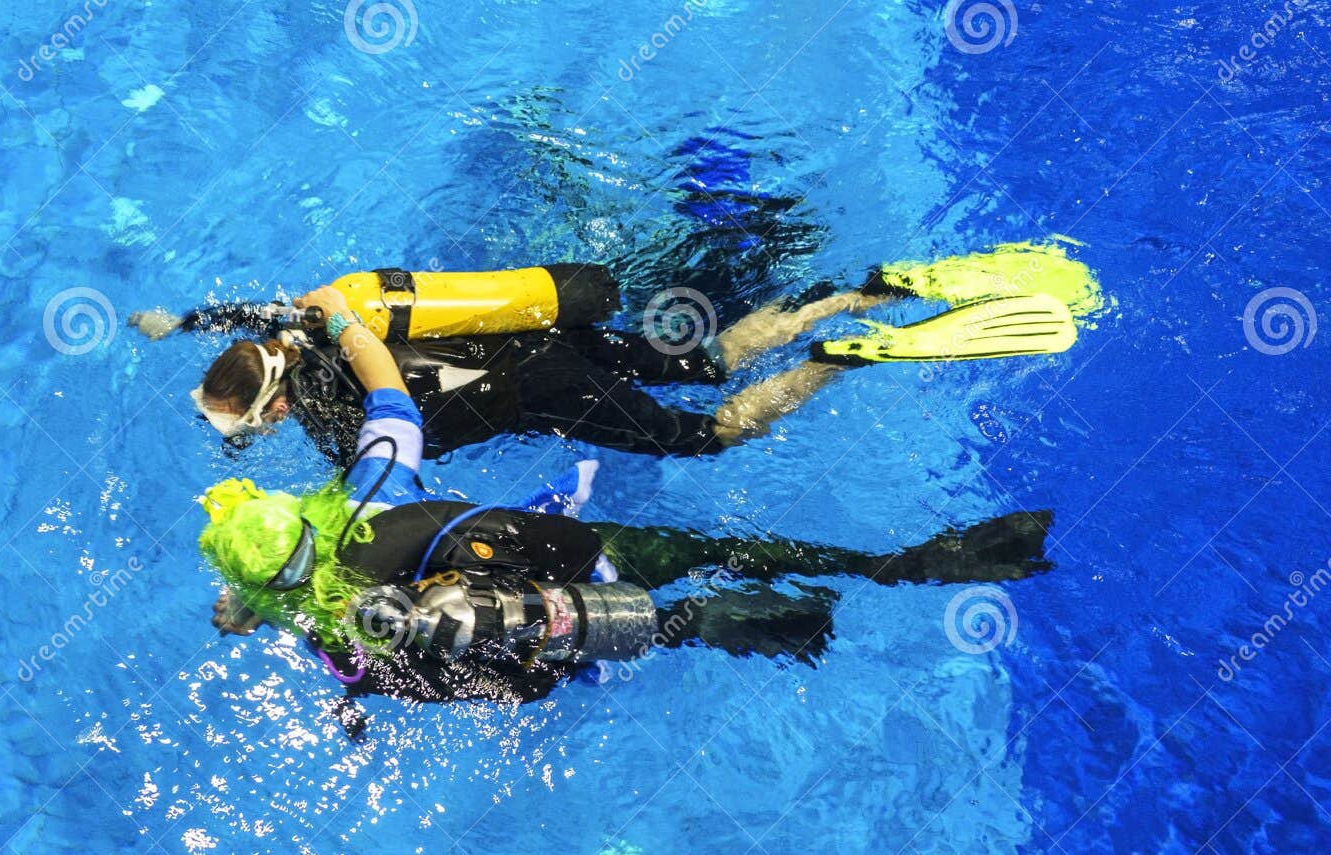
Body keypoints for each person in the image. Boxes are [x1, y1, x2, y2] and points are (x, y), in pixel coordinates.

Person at [195, 286, 1056, 731]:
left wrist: (241, 608)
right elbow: (385, 384)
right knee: (709, 404)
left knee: (706, 464)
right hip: (553, 450)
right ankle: (840, 334)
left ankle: (806, 593)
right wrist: (346, 324)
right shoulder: (372, 483)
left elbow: (274, 599)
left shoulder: (309, 619)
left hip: (556, 617)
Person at [138, 244, 1088, 466]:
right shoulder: (310, 317)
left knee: (709, 435)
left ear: (270, 409)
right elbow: (245, 312)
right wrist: (181, 321)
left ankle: (843, 355)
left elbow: (401, 457)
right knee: (710, 359)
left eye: (248, 429)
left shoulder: (343, 439)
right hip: (546, 334)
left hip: (550, 394)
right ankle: (861, 292)